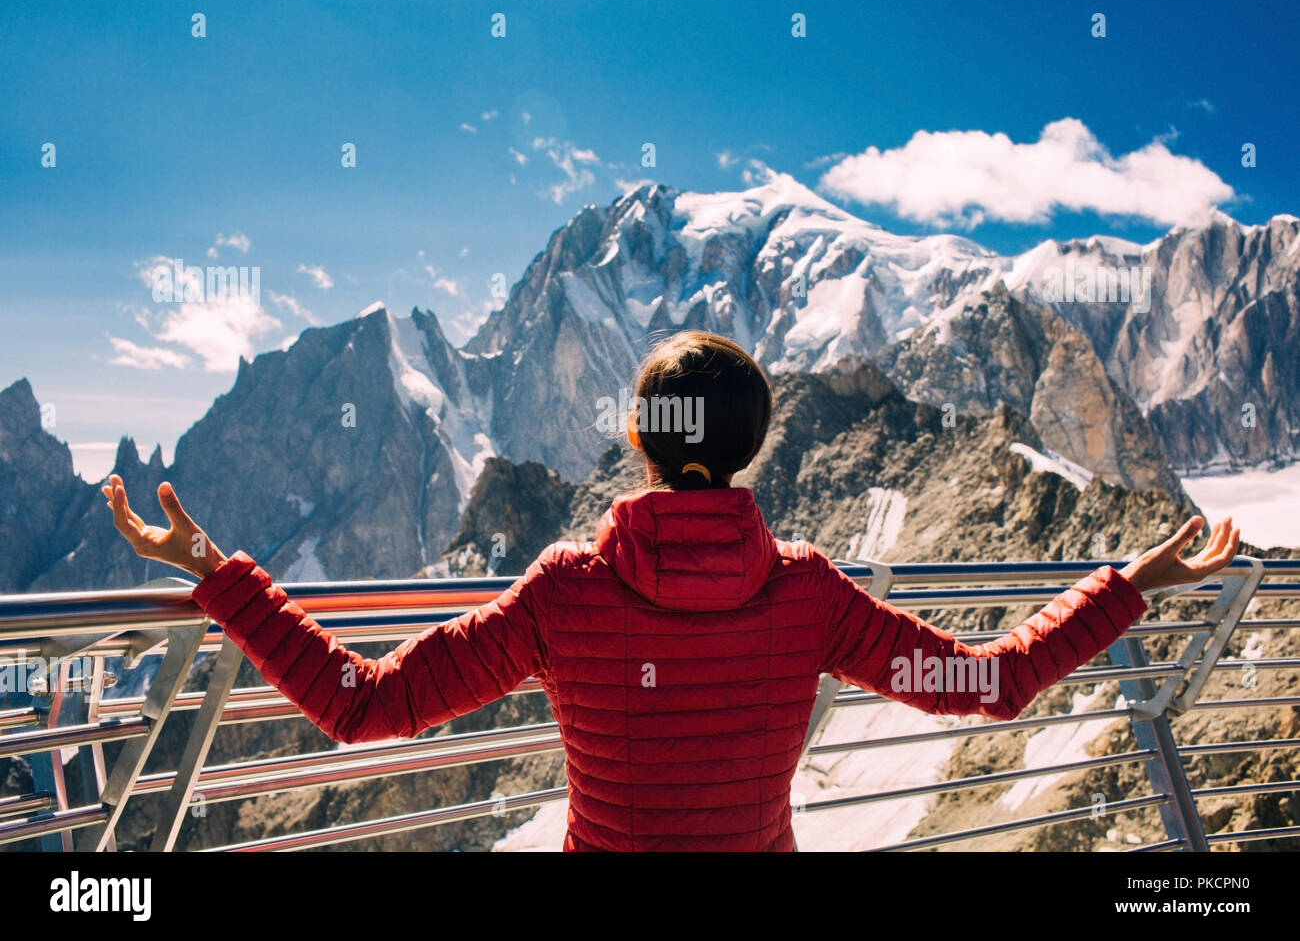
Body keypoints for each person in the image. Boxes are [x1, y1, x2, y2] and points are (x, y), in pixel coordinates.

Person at [104, 330, 1240, 851]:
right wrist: (1135, 575)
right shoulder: (806, 594)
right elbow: (987, 682)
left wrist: (219, 576)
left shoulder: (566, 593)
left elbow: (358, 702)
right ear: (747, 452)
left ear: (639, 447)